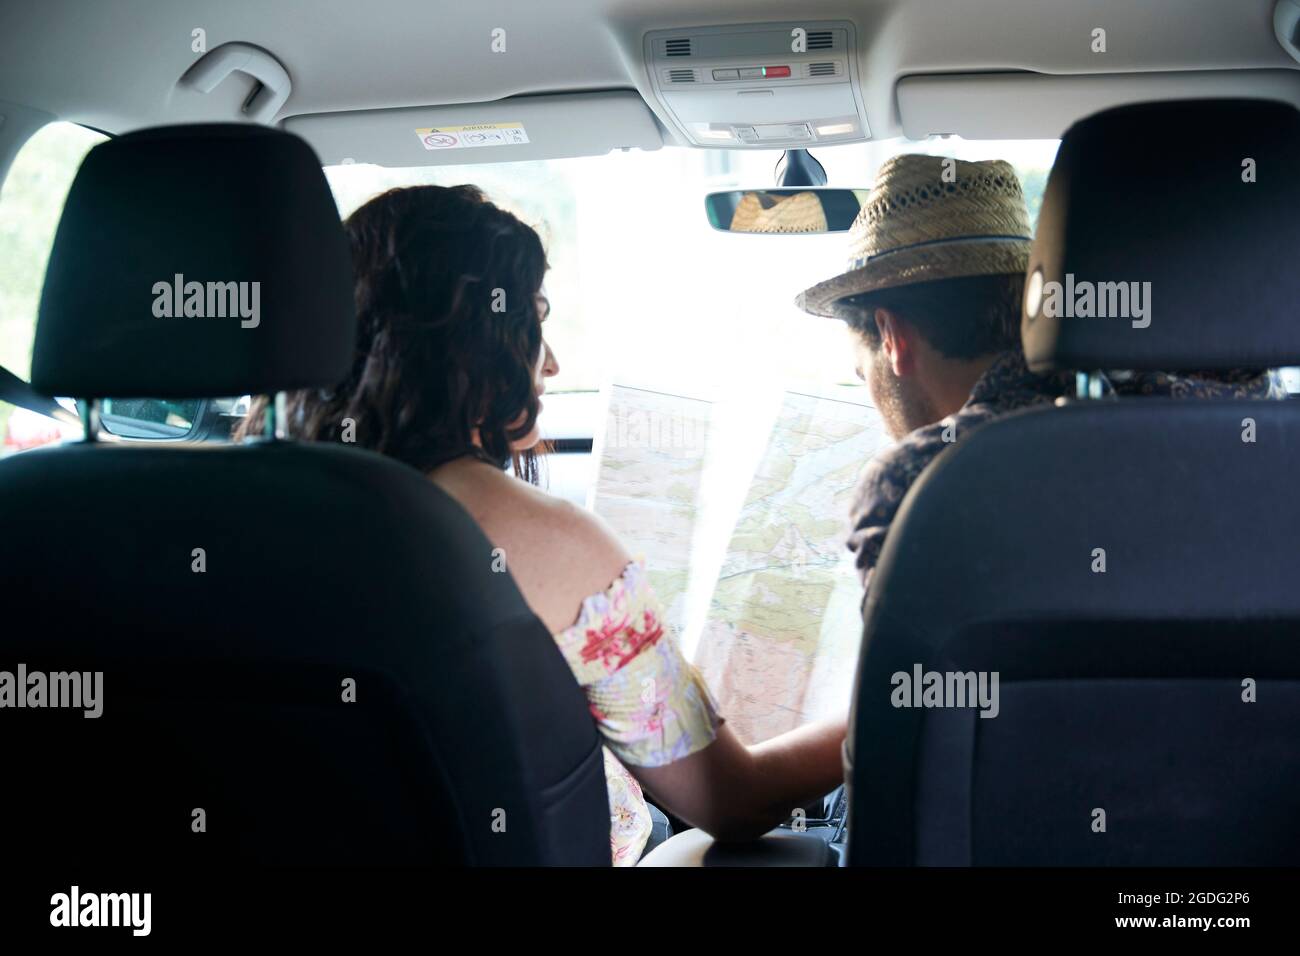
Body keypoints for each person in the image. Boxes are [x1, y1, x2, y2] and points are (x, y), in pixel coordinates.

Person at [236, 184, 845, 864]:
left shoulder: (214, 516)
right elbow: (734, 801)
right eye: (531, 325)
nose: (550, 363)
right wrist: (876, 712)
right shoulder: (550, 544)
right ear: (469, 348)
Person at [796, 154, 1283, 594]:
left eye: (863, 374)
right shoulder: (1251, 417)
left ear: (892, 337)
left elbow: (914, 684)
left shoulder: (910, 489)